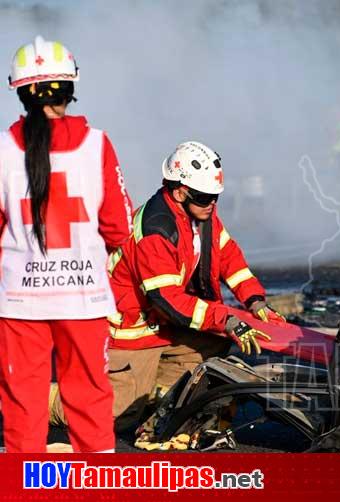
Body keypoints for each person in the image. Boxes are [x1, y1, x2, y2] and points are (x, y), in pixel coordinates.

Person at [49, 141, 281, 431]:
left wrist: (255, 299)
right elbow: (167, 298)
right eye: (204, 197)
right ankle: (41, 396)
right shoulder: (156, 229)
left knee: (217, 343)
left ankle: (157, 389)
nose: (212, 204)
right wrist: (226, 318)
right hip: (130, 330)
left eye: (214, 197)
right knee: (114, 416)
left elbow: (228, 256)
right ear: (179, 190)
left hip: (164, 324)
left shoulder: (199, 214)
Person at [0, 36, 134, 453]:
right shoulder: (97, 144)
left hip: (18, 302)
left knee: (23, 405)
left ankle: (24, 490)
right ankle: (97, 488)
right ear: (71, 88)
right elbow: (119, 227)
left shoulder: (2, 149)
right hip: (84, 299)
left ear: (19, 91)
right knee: (91, 400)